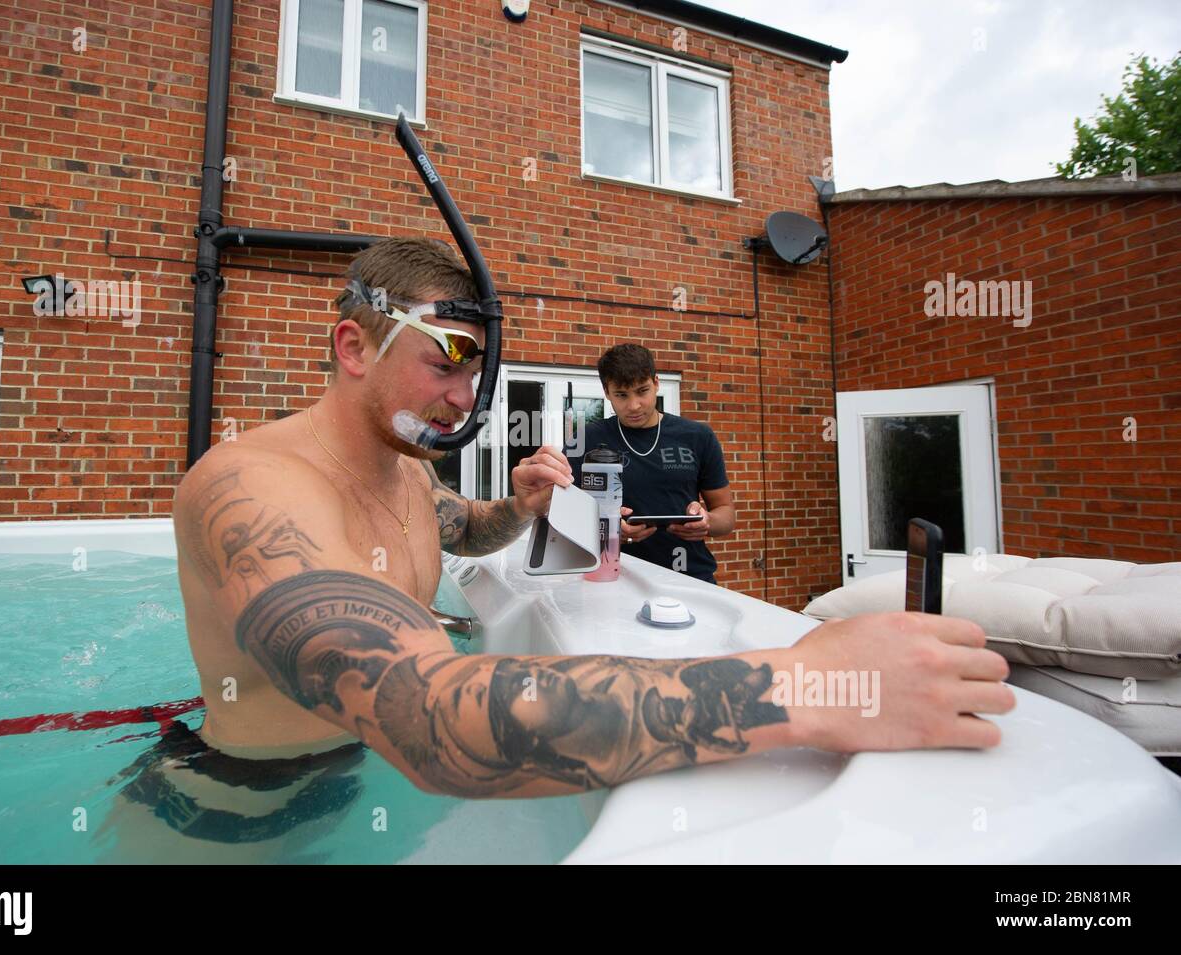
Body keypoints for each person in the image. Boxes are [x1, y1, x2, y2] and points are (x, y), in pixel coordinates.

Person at [170, 236, 1015, 801]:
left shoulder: (406, 478)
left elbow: (467, 528)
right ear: (355, 347)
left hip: (354, 785)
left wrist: (524, 506)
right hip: (235, 813)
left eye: (479, 375)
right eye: (446, 363)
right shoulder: (251, 487)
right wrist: (804, 684)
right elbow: (428, 719)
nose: (464, 398)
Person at [568, 343, 732, 585]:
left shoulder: (697, 436)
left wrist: (706, 522)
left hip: (691, 577)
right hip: (613, 578)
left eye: (642, 391)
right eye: (621, 395)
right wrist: (607, 528)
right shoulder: (585, 439)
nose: (634, 405)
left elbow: (726, 514)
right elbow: (563, 515)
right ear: (606, 391)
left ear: (656, 383)